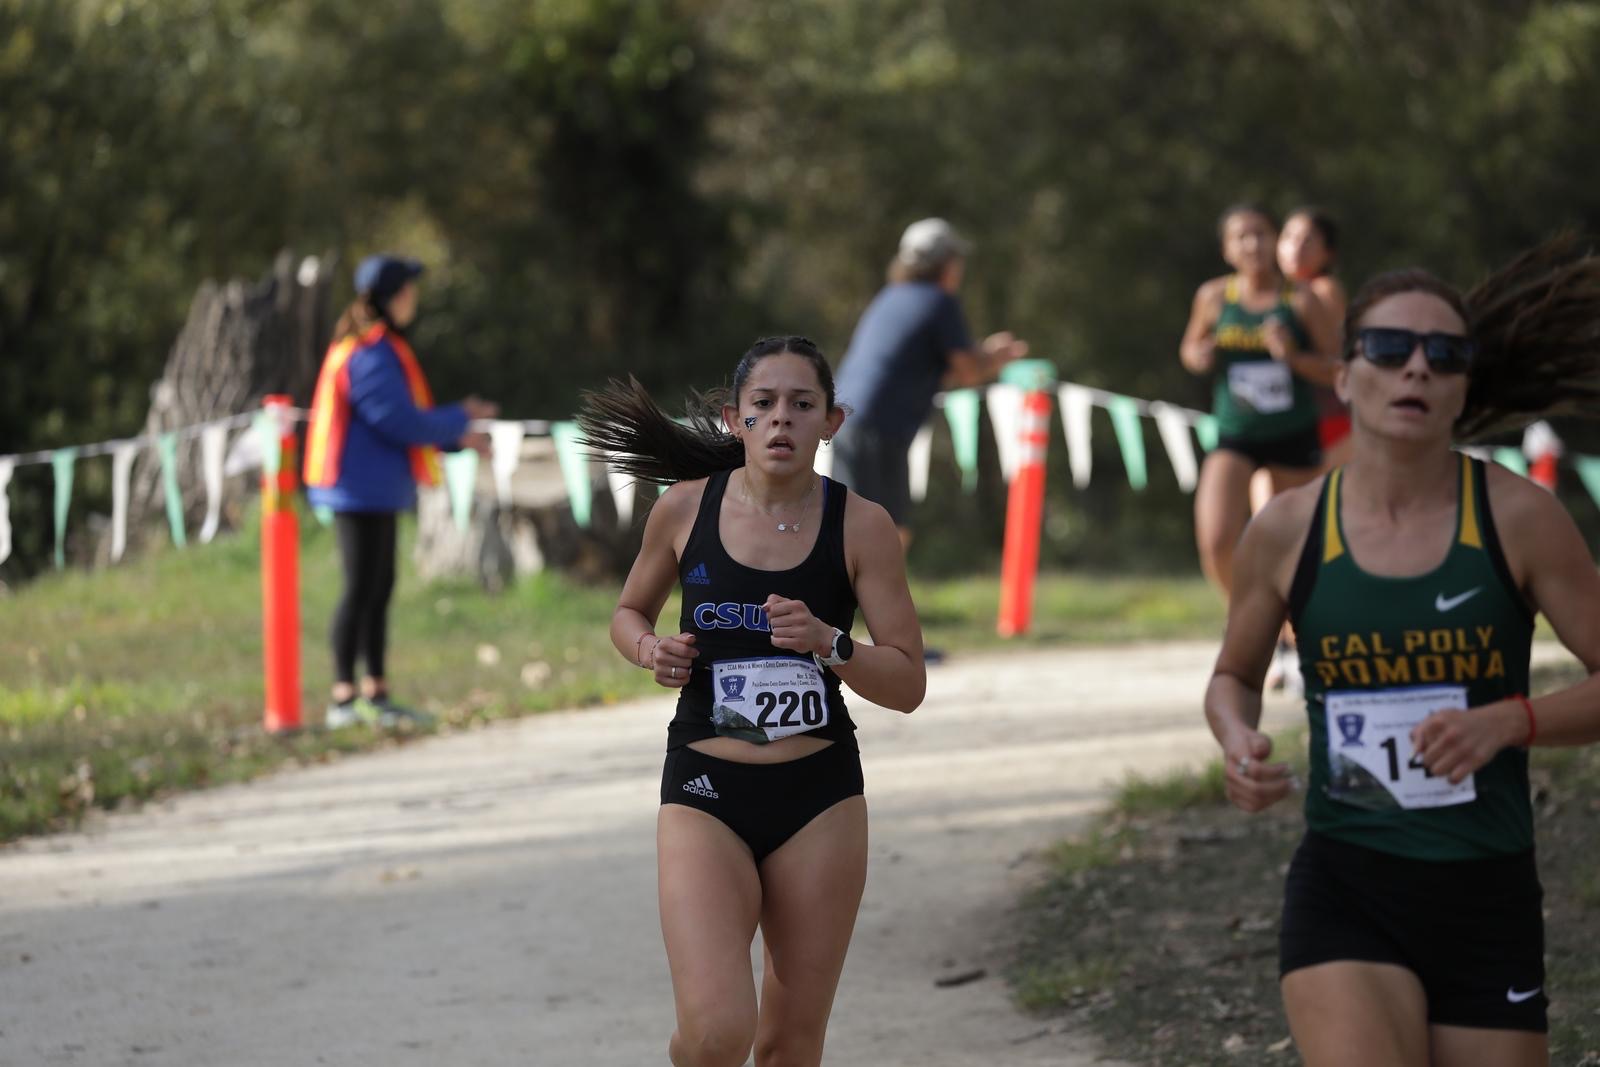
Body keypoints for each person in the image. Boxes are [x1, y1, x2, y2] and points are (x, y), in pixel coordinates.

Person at [1204, 235, 1600, 1066]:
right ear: (1345, 376)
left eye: (1444, 355)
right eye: (1389, 348)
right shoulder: (1287, 528)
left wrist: (1513, 721)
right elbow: (1234, 675)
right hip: (1346, 885)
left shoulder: (1519, 518)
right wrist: (1237, 738)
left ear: (1463, 389)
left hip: (1486, 888)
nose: (1417, 367)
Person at [578, 336, 926, 1067]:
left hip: (820, 798)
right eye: (763, 404)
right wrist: (648, 649)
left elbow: (907, 683)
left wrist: (831, 642)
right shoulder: (683, 510)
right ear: (735, 419)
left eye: (802, 404)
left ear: (832, 421)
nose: (781, 419)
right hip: (706, 793)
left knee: (789, 1046)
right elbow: (628, 613)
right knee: (715, 1033)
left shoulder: (862, 525)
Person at [303, 254, 496, 729]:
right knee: (358, 588)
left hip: (378, 490)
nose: (415, 298)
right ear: (393, 297)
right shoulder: (369, 353)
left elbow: (404, 423)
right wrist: (460, 417)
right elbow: (396, 420)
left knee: (379, 587)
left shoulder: (383, 348)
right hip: (356, 490)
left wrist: (457, 438)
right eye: (409, 289)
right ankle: (343, 699)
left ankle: (377, 692)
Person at [830, 218, 1030, 548]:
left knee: (882, 532)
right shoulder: (939, 302)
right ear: (947, 265)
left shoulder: (890, 298)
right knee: (875, 536)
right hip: (876, 428)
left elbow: (932, 368)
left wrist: (982, 356)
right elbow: (968, 371)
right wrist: (996, 357)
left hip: (852, 421)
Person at [1180, 203, 1341, 599]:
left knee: (1297, 545)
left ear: (1274, 240)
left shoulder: (1300, 298)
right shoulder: (1214, 296)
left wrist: (1293, 357)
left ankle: (1291, 621)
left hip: (1293, 433)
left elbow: (1337, 369)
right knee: (1216, 538)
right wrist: (1199, 356)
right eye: (1241, 237)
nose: (1252, 244)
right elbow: (1189, 348)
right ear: (1226, 249)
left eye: (1261, 234)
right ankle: (1247, 612)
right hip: (1236, 432)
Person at [1259, 206, 1352, 690]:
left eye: (1308, 239)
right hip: (1277, 429)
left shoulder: (1323, 292)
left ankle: (1304, 646)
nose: (1295, 247)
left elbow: (1338, 365)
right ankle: (1279, 645)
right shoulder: (1261, 294)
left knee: (1304, 537)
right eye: (1289, 236)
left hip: (1327, 428)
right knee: (1270, 535)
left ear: (1327, 252)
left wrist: (1291, 357)